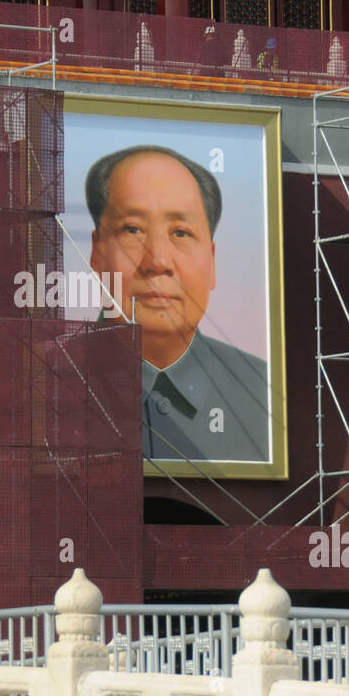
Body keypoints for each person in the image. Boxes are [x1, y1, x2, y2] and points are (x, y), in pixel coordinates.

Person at [86, 145, 269, 462]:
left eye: (181, 233)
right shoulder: (41, 381)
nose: (157, 260)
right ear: (96, 252)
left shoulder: (263, 392)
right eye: (133, 229)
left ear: (212, 263)